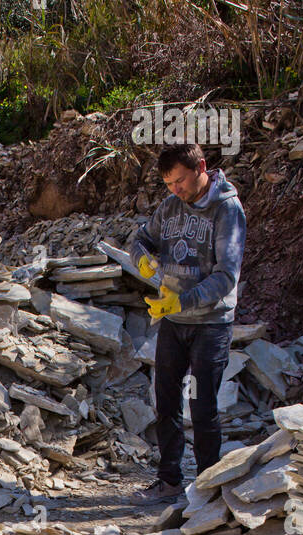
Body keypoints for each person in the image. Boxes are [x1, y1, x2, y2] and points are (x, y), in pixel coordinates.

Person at [131, 142, 246, 502]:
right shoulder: (169, 206)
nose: (175, 190)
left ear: (201, 167)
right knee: (166, 401)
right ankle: (169, 481)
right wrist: (142, 261)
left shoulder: (227, 210)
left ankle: (209, 489)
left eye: (180, 181)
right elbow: (141, 239)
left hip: (210, 323)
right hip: (172, 319)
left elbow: (226, 275)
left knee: (203, 406)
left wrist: (184, 300)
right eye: (168, 184)